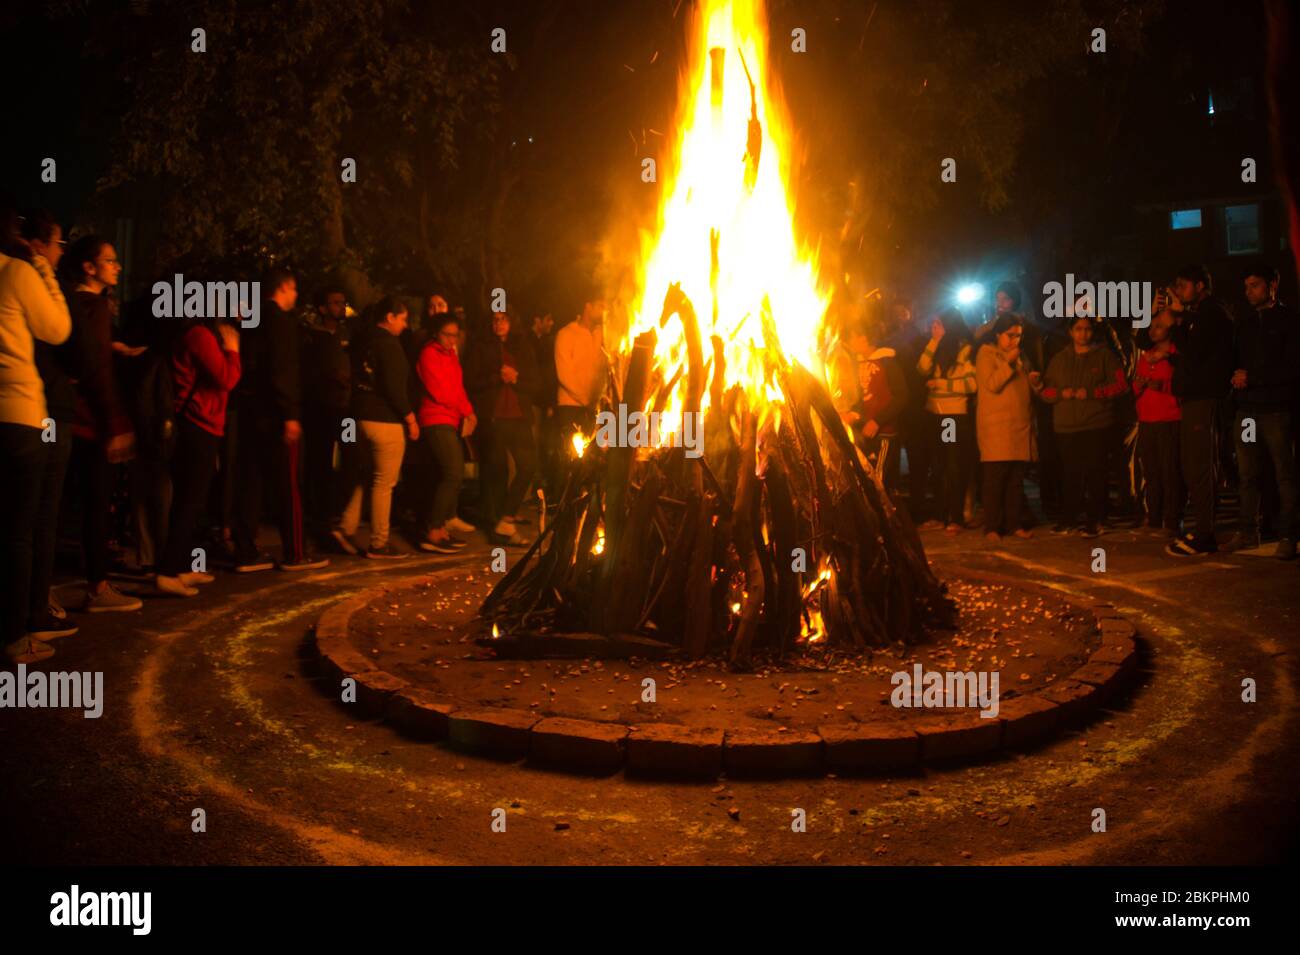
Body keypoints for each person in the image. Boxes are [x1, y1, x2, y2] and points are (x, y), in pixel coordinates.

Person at [1, 204, 73, 662]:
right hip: (18, 414)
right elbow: (58, 329)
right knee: (16, 532)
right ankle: (13, 636)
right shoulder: (17, 273)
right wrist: (44, 270)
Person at [58, 235, 143, 612]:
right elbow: (95, 371)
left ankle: (40, 593)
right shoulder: (94, 306)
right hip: (90, 422)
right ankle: (98, 586)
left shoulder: (68, 302)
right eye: (109, 261)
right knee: (96, 503)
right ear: (89, 268)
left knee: (58, 506)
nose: (117, 266)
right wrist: (115, 423)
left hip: (66, 418)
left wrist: (111, 347)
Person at [231, 267, 328, 572]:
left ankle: (245, 549)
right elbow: (283, 370)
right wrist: (291, 413)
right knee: (289, 484)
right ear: (284, 288)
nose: (296, 296)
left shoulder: (252, 320)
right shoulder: (281, 324)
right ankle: (295, 551)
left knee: (251, 481)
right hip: (275, 414)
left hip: (251, 412)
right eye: (294, 290)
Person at [17, 209, 81, 642]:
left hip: (31, 408)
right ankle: (30, 613)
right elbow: (60, 333)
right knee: (36, 516)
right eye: (58, 244)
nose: (61, 254)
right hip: (38, 409)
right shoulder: (27, 277)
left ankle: (29, 606)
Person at [154, 316, 241, 595]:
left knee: (193, 499)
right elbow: (226, 378)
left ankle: (180, 566)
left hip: (204, 425)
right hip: (196, 425)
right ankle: (167, 572)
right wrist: (233, 350)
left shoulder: (201, 335)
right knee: (188, 500)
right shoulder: (200, 336)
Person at [1221, 266, 1299, 558]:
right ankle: (1247, 531)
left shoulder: (1289, 320)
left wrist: (1252, 377)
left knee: (1284, 473)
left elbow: (1292, 367)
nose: (1249, 291)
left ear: (1272, 284)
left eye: (1254, 285)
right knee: (1248, 473)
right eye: (1247, 286)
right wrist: (1236, 377)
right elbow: (1234, 360)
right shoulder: (1245, 323)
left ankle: (1288, 535)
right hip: (1248, 411)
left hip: (1276, 410)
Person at [334, 297, 417, 559]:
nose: (405, 325)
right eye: (403, 318)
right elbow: (394, 387)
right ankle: (379, 543)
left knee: (368, 476)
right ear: (390, 317)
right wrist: (410, 418)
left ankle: (346, 527)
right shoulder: (389, 345)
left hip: (360, 417)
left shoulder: (363, 343)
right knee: (384, 483)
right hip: (384, 420)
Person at [1166, 265, 1235, 557]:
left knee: (1201, 466)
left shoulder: (1211, 313)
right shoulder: (1202, 315)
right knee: (1193, 465)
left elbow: (1192, 354)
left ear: (1200, 285)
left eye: (1183, 285)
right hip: (1195, 399)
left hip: (1205, 399)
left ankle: (1205, 535)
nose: (1179, 291)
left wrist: (1178, 322)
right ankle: (1202, 529)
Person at [1040, 315, 1127, 537]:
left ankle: (1095, 519)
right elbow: (1046, 393)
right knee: (1070, 474)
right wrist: (1061, 393)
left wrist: (1093, 393)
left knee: (1096, 473)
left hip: (1096, 424)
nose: (1083, 334)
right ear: (1070, 331)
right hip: (1066, 426)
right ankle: (1069, 518)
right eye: (1078, 329)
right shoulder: (1059, 359)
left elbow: (1120, 385)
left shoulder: (1104, 356)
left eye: (1087, 329)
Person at [464, 310, 540, 545]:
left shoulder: (523, 347)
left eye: (504, 319)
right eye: (495, 320)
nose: (499, 324)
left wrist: (516, 378)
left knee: (528, 466)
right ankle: (497, 527)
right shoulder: (481, 347)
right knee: (496, 472)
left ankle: (506, 518)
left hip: (518, 417)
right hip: (494, 418)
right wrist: (497, 378)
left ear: (512, 322)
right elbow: (469, 382)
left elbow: (536, 383)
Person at [975, 314, 1042, 541]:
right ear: (998, 334)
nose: (1015, 340)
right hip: (996, 428)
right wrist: (1009, 362)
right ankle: (992, 527)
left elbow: (1027, 389)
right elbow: (992, 384)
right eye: (1010, 335)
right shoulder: (986, 354)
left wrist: (1034, 383)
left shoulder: (1021, 356)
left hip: (1019, 426)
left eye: (1018, 336)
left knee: (1015, 481)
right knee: (995, 481)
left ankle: (1014, 525)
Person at [416, 312, 476, 553]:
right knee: (453, 473)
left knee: (450, 473)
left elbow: (457, 387)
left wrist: (469, 412)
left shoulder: (451, 354)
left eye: (455, 335)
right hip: (435, 418)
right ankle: (433, 529)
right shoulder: (429, 354)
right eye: (447, 334)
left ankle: (439, 529)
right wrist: (463, 409)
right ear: (435, 333)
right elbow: (440, 391)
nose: (452, 340)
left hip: (450, 419)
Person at [915, 309, 977, 533]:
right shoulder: (936, 347)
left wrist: (941, 385)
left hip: (952, 417)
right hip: (935, 415)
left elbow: (971, 385)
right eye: (933, 324)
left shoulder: (965, 349)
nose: (934, 328)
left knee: (953, 466)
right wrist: (933, 342)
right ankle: (940, 514)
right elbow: (921, 368)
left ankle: (956, 517)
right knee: (939, 466)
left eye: (939, 325)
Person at [301, 286, 351, 549]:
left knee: (351, 456)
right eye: (334, 303)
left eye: (342, 302)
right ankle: (317, 514)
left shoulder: (347, 334)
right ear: (322, 308)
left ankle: (337, 511)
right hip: (321, 408)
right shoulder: (313, 337)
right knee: (319, 460)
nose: (340, 307)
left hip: (345, 409)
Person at [1133, 308, 1182, 539]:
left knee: (1169, 472)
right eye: (1152, 326)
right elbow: (1135, 387)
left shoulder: (1176, 355)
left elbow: (1184, 388)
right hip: (1146, 420)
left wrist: (1161, 387)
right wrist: (1140, 384)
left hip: (1169, 420)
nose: (1153, 330)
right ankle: (1153, 518)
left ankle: (1171, 522)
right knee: (1151, 472)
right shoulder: (1145, 355)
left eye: (1159, 326)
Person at [554, 299, 607, 446]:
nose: (605, 312)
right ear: (588, 306)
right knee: (571, 456)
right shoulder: (566, 334)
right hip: (570, 407)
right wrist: (586, 399)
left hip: (594, 409)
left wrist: (596, 401)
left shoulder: (602, 335)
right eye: (601, 305)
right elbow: (564, 375)